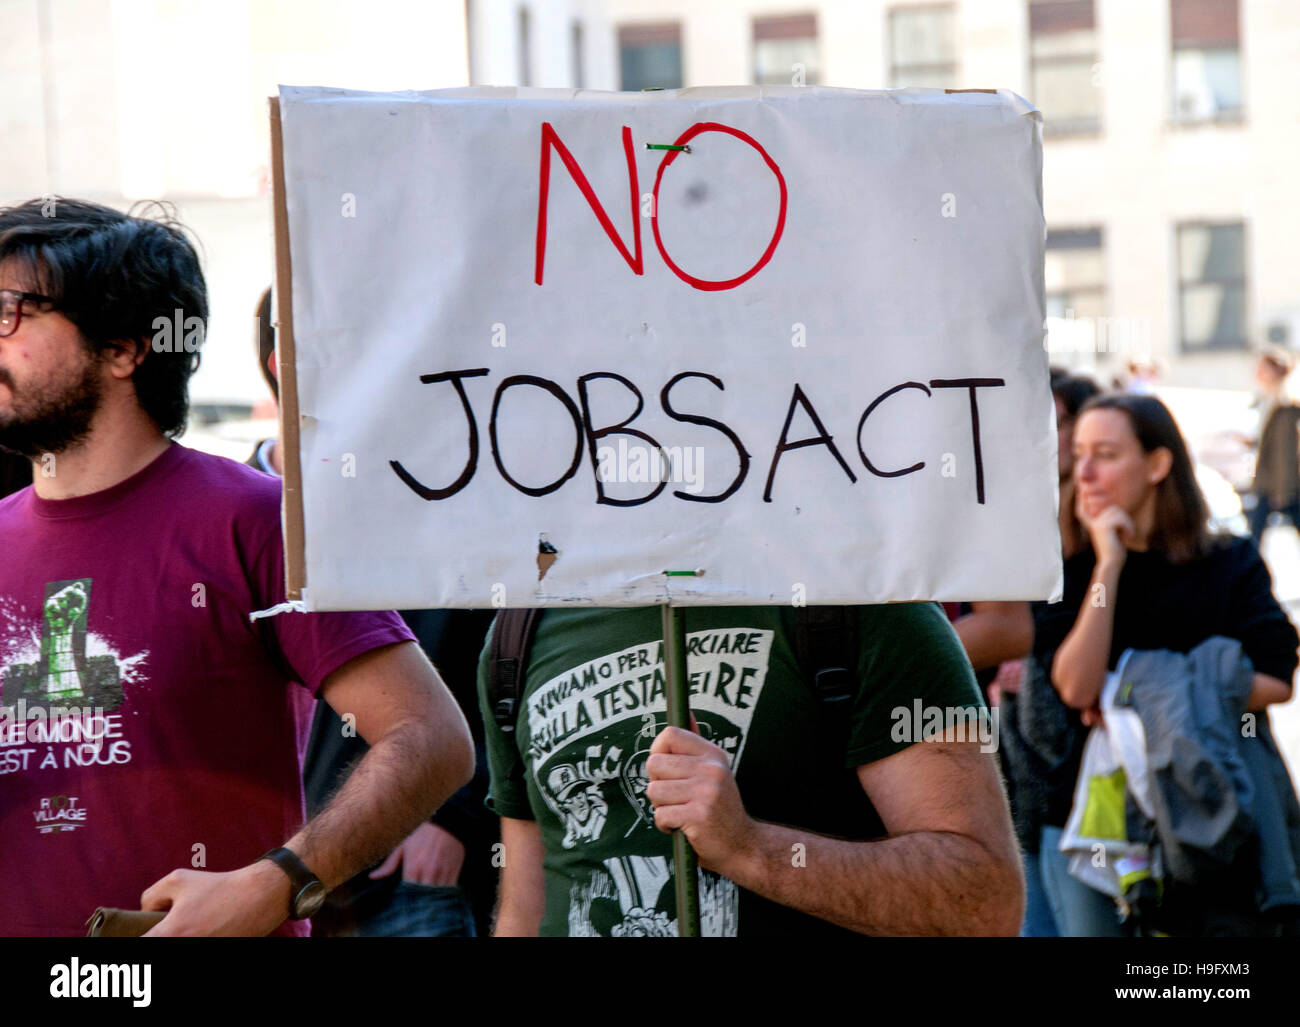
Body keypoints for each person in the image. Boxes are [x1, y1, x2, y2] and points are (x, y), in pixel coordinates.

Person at [0, 198, 475, 936]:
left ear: (125, 347)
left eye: (12, 310)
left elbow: (431, 737)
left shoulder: (253, 521)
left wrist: (277, 883)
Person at [480, 604, 1024, 937]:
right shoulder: (520, 632)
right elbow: (527, 908)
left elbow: (985, 901)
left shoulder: (869, 604)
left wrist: (750, 849)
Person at [246, 288, 499, 936]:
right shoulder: (222, 522)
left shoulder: (454, 505)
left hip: (404, 881)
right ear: (284, 360)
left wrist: (454, 817)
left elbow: (508, 668)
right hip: (251, 881)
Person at [1031, 392, 1298, 936]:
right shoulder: (1071, 567)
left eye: (1105, 454)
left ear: (1156, 464)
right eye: (1078, 452)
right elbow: (1077, 687)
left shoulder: (1227, 561)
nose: (1082, 470)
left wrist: (1141, 695)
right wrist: (1109, 566)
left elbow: (1275, 678)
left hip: (1215, 813)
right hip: (1097, 827)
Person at [1245, 351, 1300, 546]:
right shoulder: (1266, 399)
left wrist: (1282, 490)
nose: (1257, 373)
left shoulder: (1285, 404)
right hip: (1268, 480)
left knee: (1255, 535)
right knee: (1255, 534)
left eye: (1262, 369)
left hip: (1277, 482)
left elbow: (1285, 451)